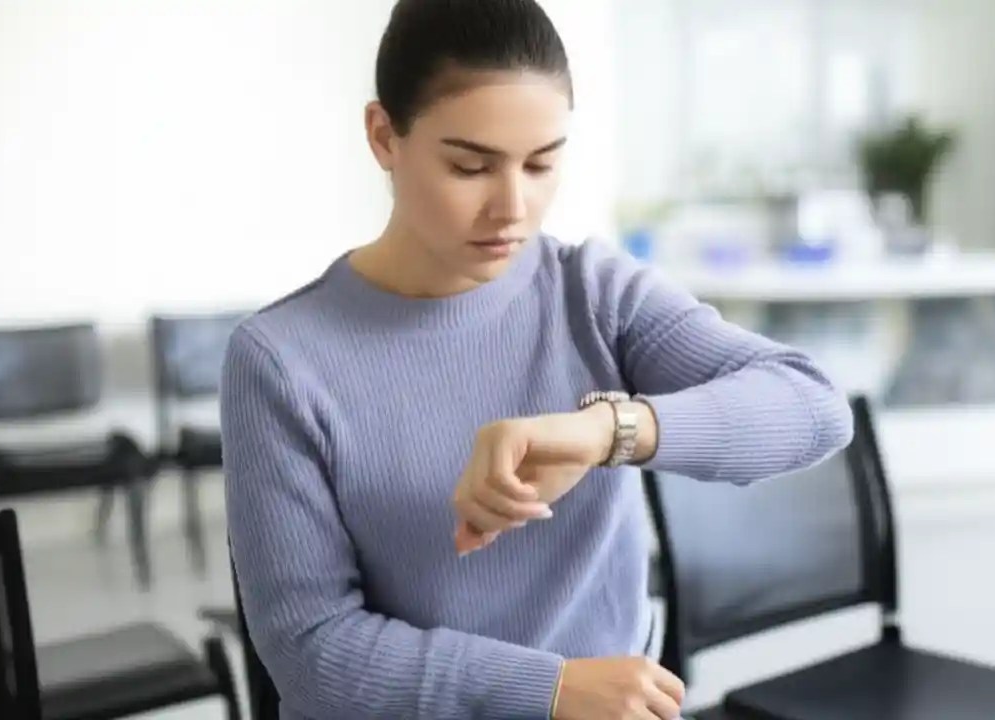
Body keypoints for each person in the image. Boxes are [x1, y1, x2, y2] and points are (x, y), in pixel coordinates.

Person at [220, 0, 854, 718]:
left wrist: (606, 432)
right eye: (470, 166)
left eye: (542, 163)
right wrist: (549, 688)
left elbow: (812, 407)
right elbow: (314, 653)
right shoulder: (280, 362)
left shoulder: (592, 293)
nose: (513, 208)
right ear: (383, 136)